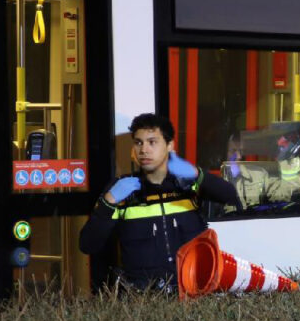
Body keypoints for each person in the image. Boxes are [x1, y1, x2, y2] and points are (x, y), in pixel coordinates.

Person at [79, 112, 240, 289]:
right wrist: (108, 202)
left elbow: (230, 196)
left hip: (192, 292)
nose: (144, 150)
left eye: (152, 142)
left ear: (170, 145)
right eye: (138, 143)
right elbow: (88, 244)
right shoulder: (122, 191)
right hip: (142, 299)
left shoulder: (187, 185)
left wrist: (197, 175)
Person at [221, 129, 300, 210]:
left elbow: (281, 195)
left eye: (241, 151)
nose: (239, 156)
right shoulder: (216, 179)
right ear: (225, 153)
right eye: (233, 151)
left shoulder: (258, 175)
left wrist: (287, 158)